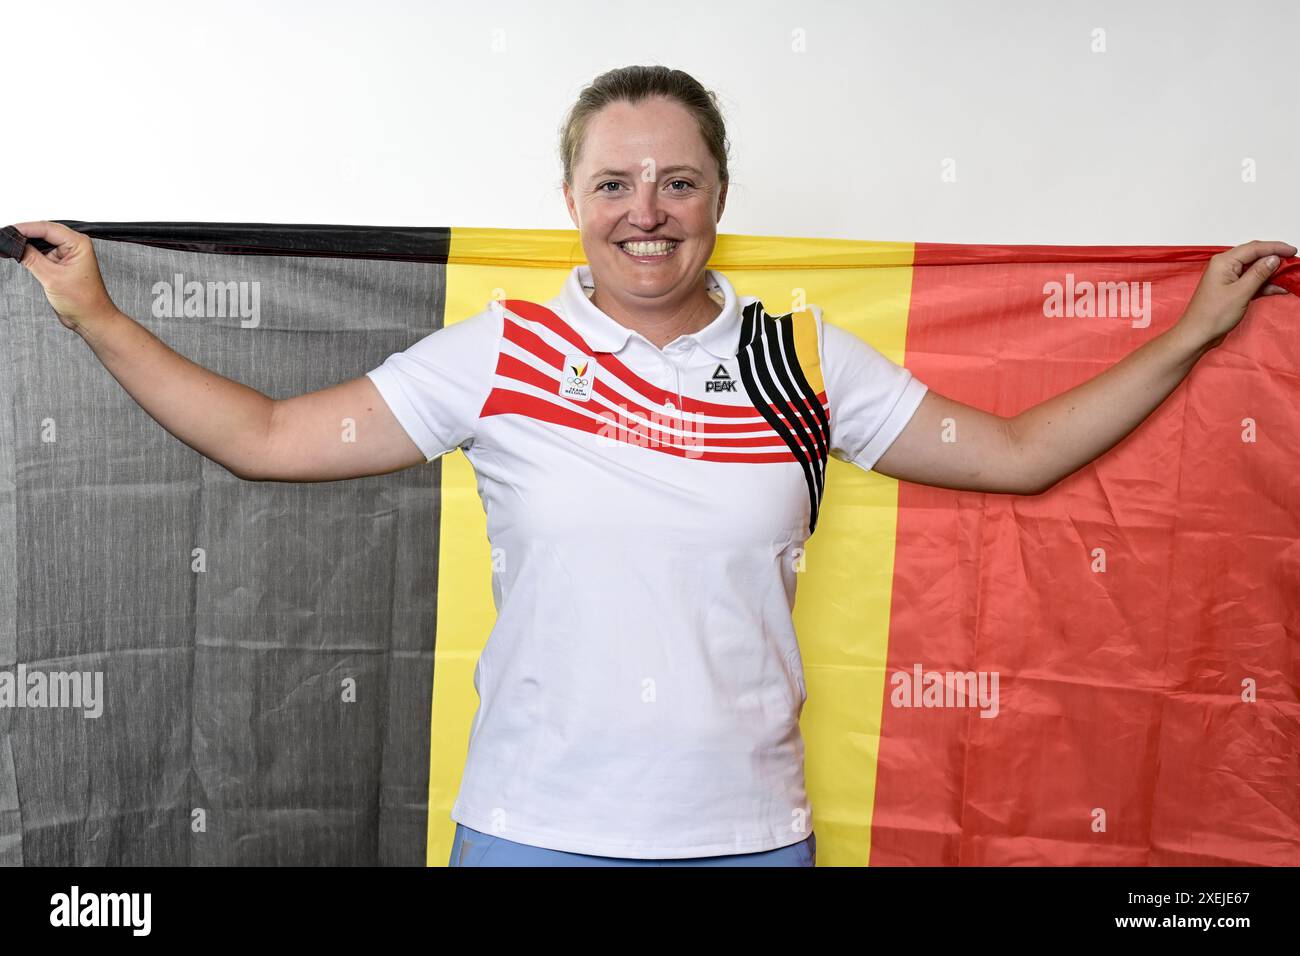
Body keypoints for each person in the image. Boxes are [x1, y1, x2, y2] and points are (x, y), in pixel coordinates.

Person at [10, 65, 1294, 868]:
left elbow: (1015, 456)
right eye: (616, 180)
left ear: (718, 194)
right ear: (570, 193)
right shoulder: (500, 352)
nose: (647, 209)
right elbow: (270, 439)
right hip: (531, 831)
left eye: (678, 180)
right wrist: (102, 317)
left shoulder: (804, 360)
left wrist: (1189, 332)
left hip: (748, 839)